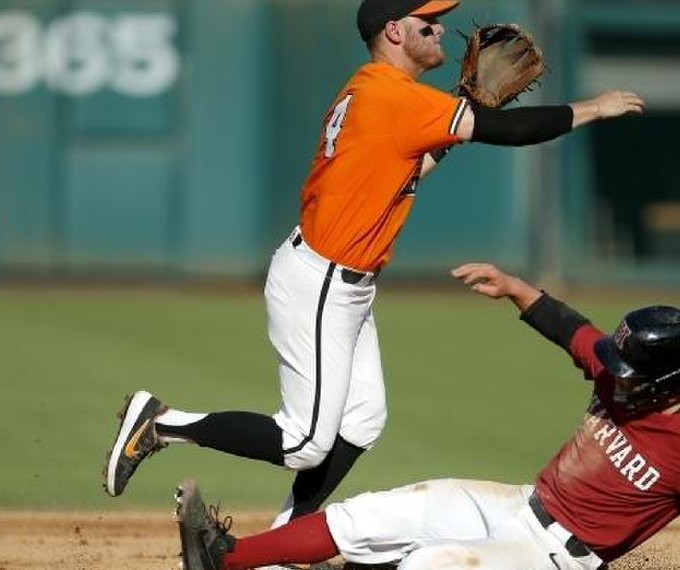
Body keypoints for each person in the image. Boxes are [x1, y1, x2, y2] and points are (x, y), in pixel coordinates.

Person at [103, 0, 645, 529]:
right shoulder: (391, 97)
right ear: (393, 32)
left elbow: (406, 170)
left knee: (361, 421)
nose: (439, 31)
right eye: (426, 23)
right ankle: (163, 424)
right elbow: (508, 131)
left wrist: (457, 120)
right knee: (303, 441)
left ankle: (285, 534)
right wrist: (594, 108)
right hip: (320, 281)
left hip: (341, 282)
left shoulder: (378, 92)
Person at [172, 261, 680, 570]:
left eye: (626, 372)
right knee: (379, 513)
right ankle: (224, 561)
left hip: (556, 559)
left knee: (430, 567)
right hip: (521, 507)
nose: (611, 375)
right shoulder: (616, 365)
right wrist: (515, 288)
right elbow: (567, 328)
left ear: (667, 382)